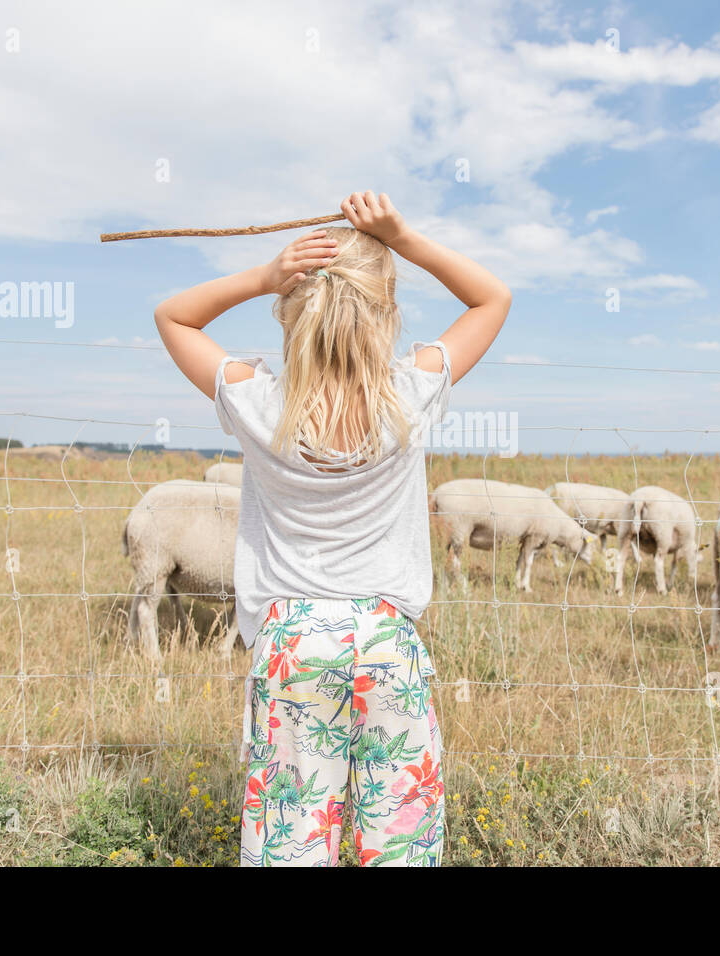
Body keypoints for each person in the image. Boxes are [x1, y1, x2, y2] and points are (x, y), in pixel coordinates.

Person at [153, 190, 511, 866]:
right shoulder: (411, 396)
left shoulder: (259, 403)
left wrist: (262, 275)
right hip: (385, 639)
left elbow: (173, 316)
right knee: (399, 839)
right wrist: (401, 235)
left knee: (290, 838)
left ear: (290, 312)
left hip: (293, 642)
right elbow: (492, 298)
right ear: (387, 315)